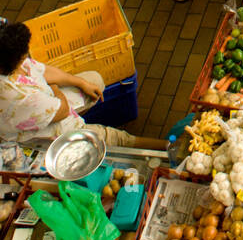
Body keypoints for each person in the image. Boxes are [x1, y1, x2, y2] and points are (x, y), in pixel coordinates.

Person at [0, 22, 159, 148]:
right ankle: (167, 147)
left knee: (93, 80)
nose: (27, 55)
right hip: (41, 133)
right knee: (116, 138)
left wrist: (81, 83)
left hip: (47, 102)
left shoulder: (10, 62)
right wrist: (54, 87)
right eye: (23, 55)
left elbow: (42, 71)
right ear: (13, 60)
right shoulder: (17, 96)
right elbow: (61, 111)